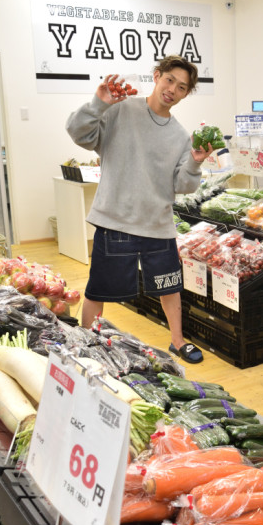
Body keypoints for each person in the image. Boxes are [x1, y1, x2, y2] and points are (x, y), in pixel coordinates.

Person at [65, 55, 213, 364]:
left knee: (170, 286)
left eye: (182, 87)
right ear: (157, 76)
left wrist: (195, 161)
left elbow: (183, 185)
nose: (172, 89)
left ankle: (177, 341)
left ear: (186, 94)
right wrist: (98, 104)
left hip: (158, 224)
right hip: (116, 221)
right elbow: (79, 133)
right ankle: (86, 342)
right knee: (98, 288)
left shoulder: (180, 136)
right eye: (169, 80)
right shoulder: (121, 109)